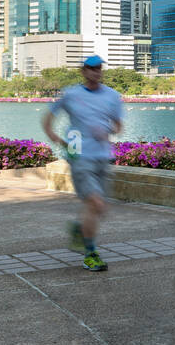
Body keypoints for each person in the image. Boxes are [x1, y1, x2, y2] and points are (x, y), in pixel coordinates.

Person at [42, 56, 124, 272]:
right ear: (84, 71)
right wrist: (57, 139)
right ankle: (90, 254)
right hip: (78, 155)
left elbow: (118, 126)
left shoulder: (112, 96)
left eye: (99, 68)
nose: (96, 72)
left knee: (99, 208)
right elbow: (48, 119)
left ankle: (80, 229)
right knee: (96, 203)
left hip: (103, 156)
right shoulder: (71, 94)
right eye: (91, 69)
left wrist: (107, 130)